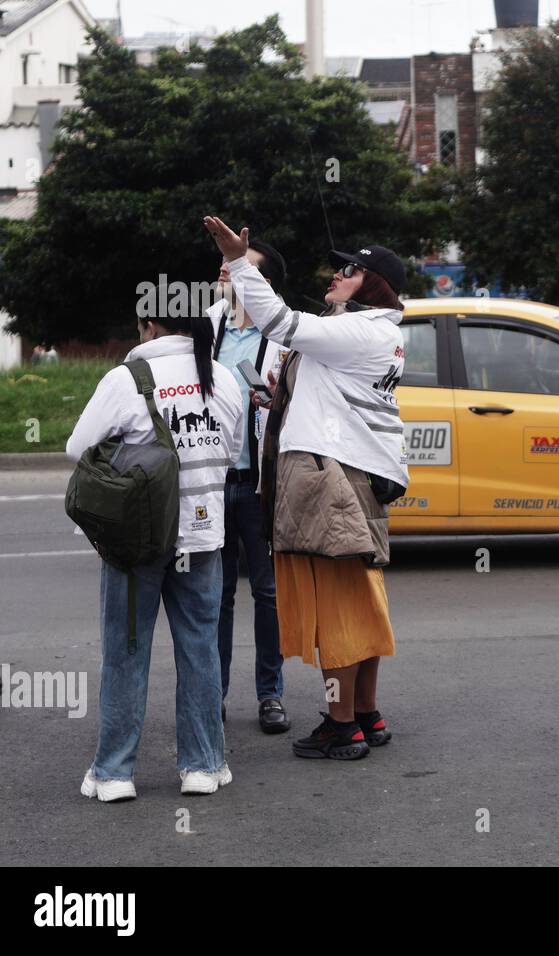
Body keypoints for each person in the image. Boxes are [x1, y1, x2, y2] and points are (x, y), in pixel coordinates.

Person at [204, 215, 408, 762]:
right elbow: (336, 396)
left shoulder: (360, 329)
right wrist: (279, 398)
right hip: (353, 475)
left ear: (374, 284)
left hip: (330, 477)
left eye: (351, 270)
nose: (336, 275)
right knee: (362, 603)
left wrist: (240, 262)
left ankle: (342, 728)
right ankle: (365, 713)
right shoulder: (376, 333)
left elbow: (276, 320)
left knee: (337, 608)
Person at [67, 293, 244, 801]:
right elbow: (230, 452)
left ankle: (115, 773)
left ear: (148, 323)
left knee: (125, 653)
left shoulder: (127, 380)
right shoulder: (223, 376)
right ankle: (203, 767)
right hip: (203, 536)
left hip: (135, 541)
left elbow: (77, 447)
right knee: (199, 651)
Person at [208, 239, 290, 733]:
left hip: (261, 484)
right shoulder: (210, 325)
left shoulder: (285, 336)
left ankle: (270, 694)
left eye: (239, 265)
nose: (225, 268)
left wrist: (276, 404)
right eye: (224, 261)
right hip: (214, 482)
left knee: (268, 593)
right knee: (214, 595)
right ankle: (211, 693)